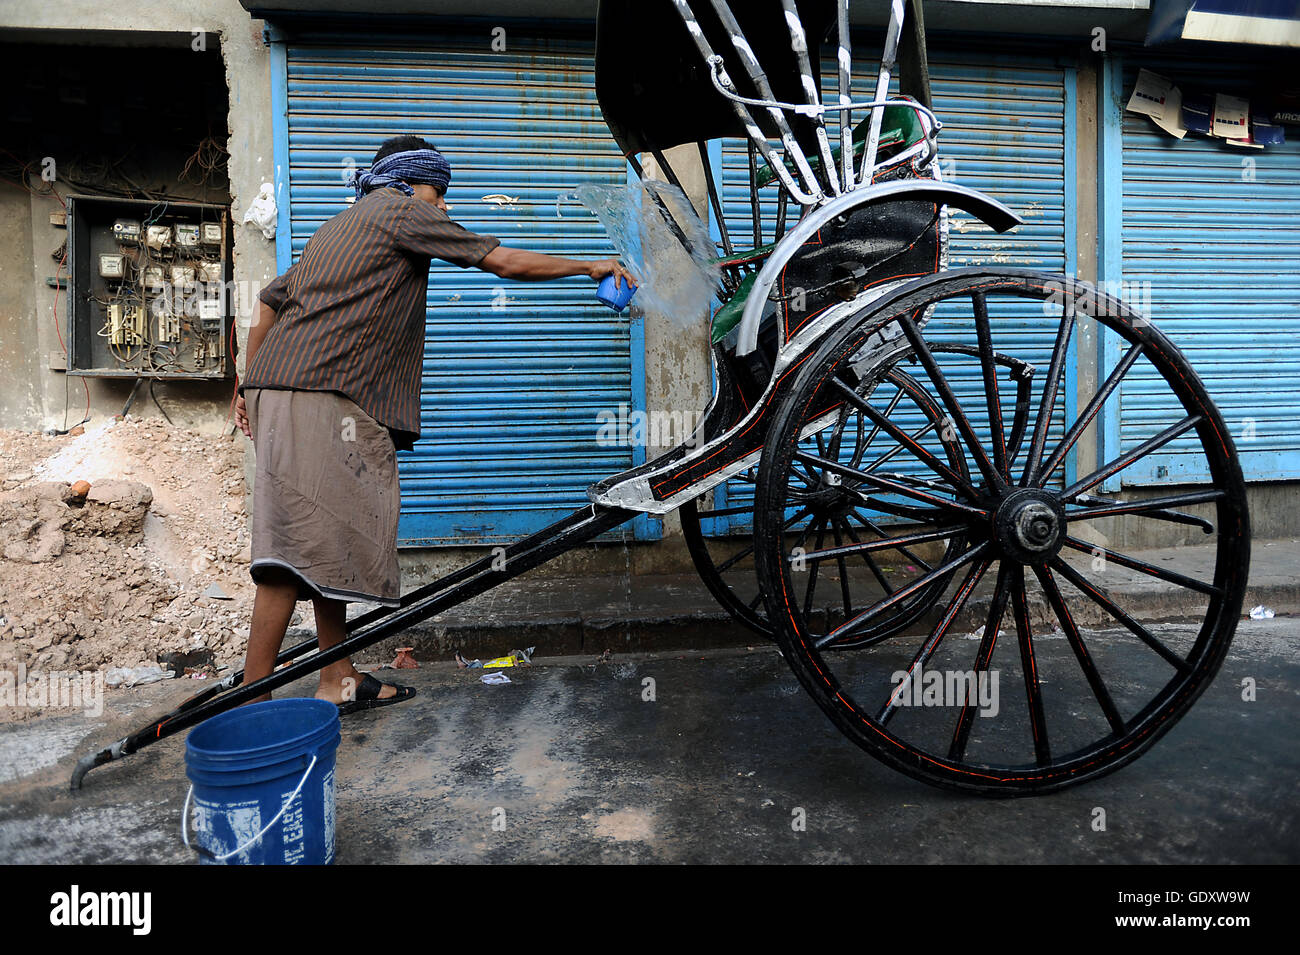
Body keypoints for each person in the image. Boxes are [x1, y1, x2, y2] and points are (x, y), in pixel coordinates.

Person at [234, 134, 635, 713]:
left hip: (297, 390)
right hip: (318, 392)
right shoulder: (399, 212)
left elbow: (270, 300)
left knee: (329, 539)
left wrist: (250, 382)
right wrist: (589, 264)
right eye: (438, 191)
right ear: (406, 184)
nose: (443, 205)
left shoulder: (340, 226)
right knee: (292, 549)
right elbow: (500, 260)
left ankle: (338, 676)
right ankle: (252, 702)